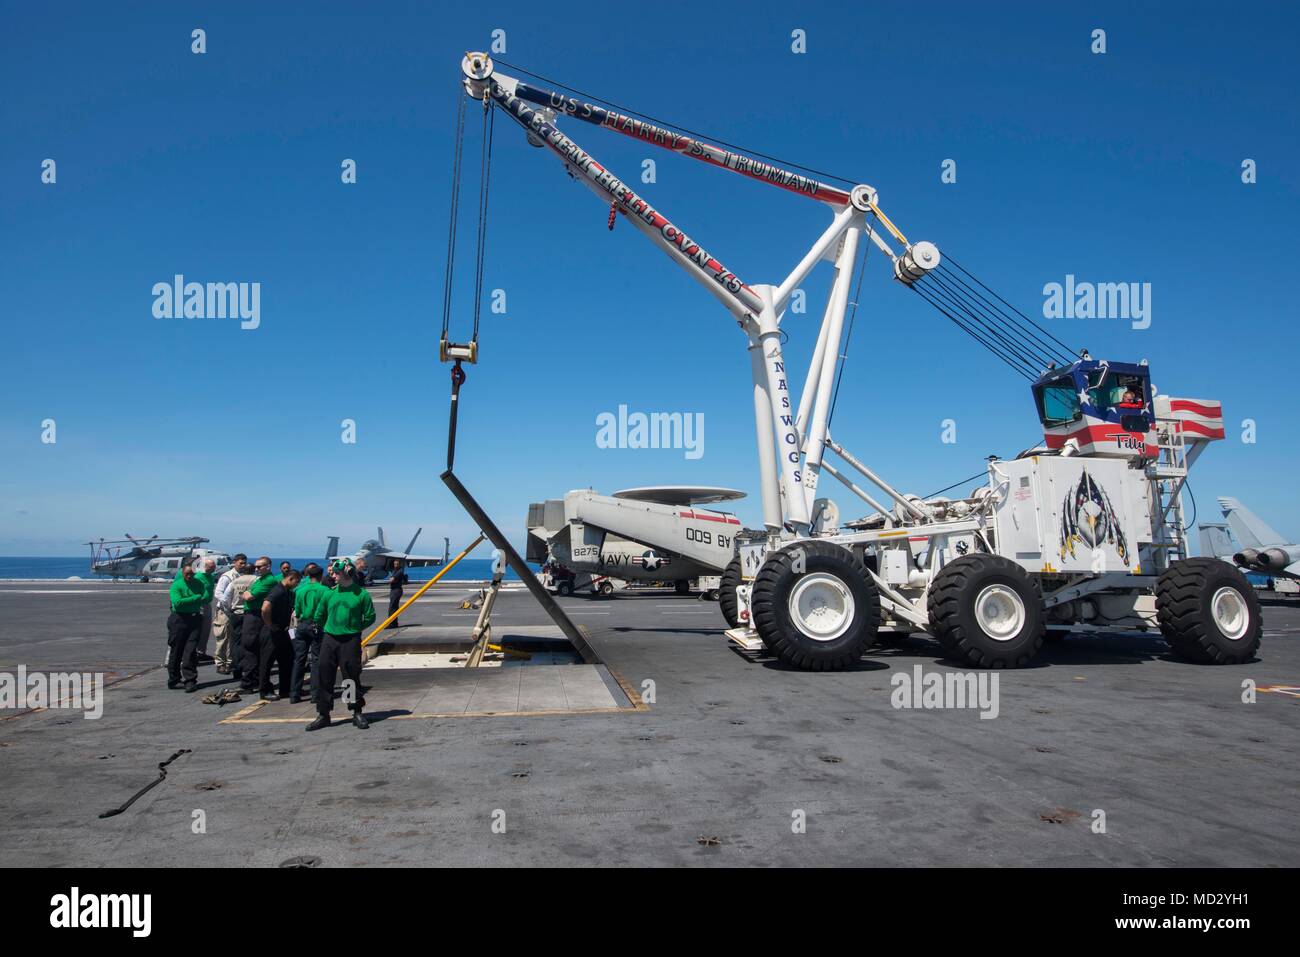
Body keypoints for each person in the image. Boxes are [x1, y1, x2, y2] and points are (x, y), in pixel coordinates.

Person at [308, 558, 375, 732]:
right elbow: (319, 615)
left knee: (350, 676)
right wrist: (328, 629)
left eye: (336, 573)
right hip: (330, 638)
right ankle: (323, 714)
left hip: (350, 639)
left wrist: (355, 628)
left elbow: (370, 616)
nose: (333, 576)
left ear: (347, 573)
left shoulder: (361, 594)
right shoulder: (329, 593)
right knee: (325, 674)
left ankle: (355, 711)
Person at [238, 557, 279, 693]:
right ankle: (253, 679)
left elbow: (249, 597)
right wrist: (247, 593)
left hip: (255, 617)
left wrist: (246, 593)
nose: (256, 569)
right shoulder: (260, 580)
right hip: (252, 615)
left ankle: (248, 682)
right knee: (252, 649)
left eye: (259, 567)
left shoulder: (268, 581)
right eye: (256, 567)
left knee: (250, 647)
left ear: (268, 566)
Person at [258, 568, 300, 701]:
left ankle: (285, 689)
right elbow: (265, 607)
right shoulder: (277, 590)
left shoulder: (287, 591)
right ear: (291, 579)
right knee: (267, 661)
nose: (296, 585)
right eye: (296, 582)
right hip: (273, 630)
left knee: (287, 659)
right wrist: (269, 624)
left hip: (283, 630)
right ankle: (264, 690)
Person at [290, 563, 328, 704]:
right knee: (316, 660)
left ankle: (294, 694)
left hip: (302, 624)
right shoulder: (325, 590)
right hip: (317, 625)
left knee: (299, 659)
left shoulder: (300, 590)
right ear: (320, 576)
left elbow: (297, 611)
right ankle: (315, 694)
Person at [166, 562, 207, 692]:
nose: (189, 576)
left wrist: (190, 599)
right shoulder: (177, 585)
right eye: (187, 574)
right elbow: (177, 603)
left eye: (191, 574)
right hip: (179, 619)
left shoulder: (198, 583)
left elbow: (206, 596)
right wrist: (195, 598)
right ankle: (174, 679)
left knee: (190, 651)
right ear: (182, 573)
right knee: (176, 651)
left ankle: (190, 680)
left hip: (194, 619)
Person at [211, 554, 248, 674]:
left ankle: (230, 662)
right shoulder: (227, 577)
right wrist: (229, 605)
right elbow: (218, 593)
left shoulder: (242, 576)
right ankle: (220, 663)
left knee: (233, 639)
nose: (243, 565)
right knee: (223, 637)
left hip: (236, 612)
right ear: (235, 563)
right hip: (225, 611)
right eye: (241, 563)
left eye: (244, 563)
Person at [194, 558, 218, 662]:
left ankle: (201, 652)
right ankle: (194, 652)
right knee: (198, 629)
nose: (213, 568)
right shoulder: (198, 577)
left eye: (214, 566)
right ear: (205, 566)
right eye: (211, 566)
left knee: (206, 629)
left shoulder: (211, 576)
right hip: (199, 604)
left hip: (207, 604)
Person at [386, 559, 408, 629]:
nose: (395, 565)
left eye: (397, 564)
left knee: (392, 608)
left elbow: (391, 580)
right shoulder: (395, 571)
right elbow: (392, 579)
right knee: (394, 607)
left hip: (396, 590)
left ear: (400, 564)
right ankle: (394, 623)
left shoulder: (399, 571)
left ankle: (391, 624)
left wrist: (391, 579)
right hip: (394, 590)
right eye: (395, 564)